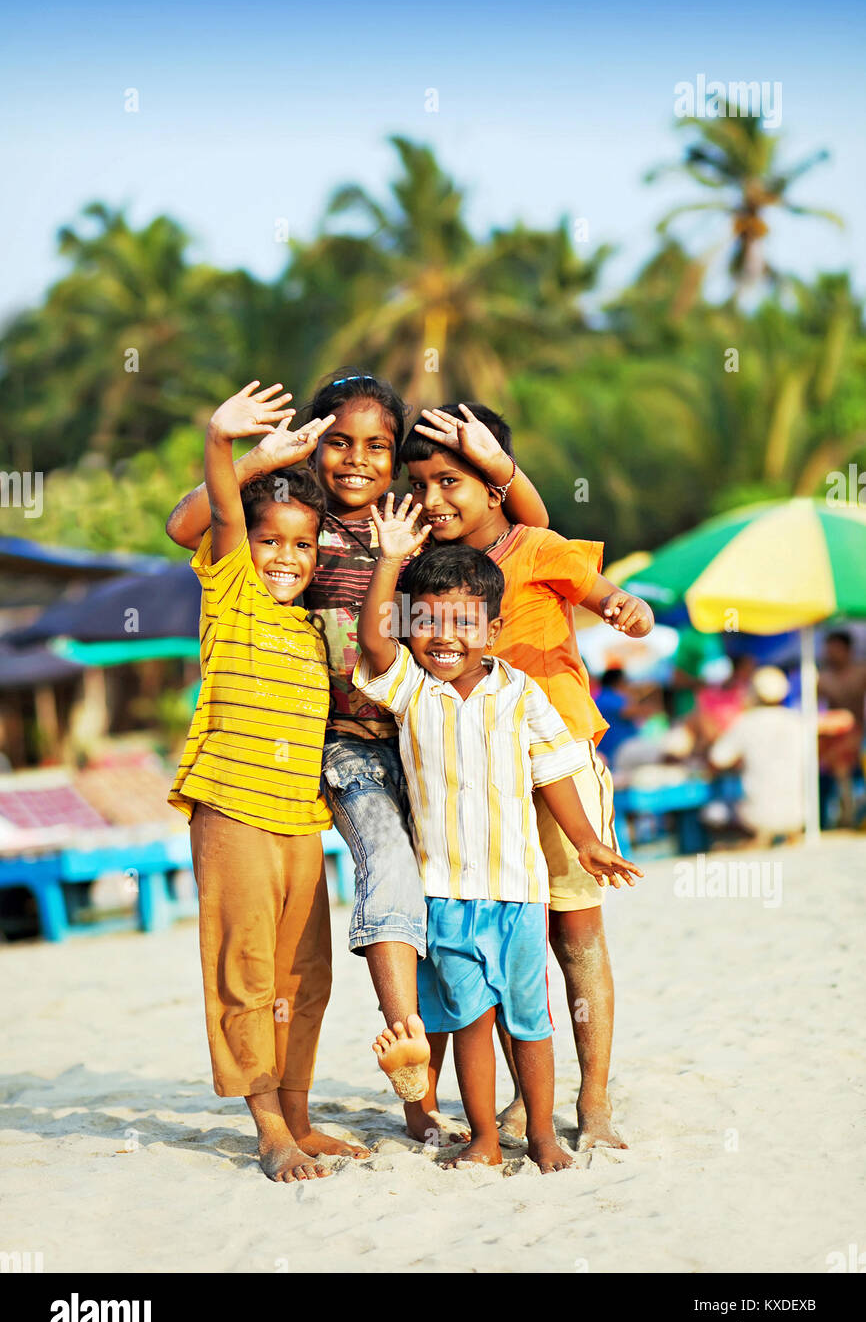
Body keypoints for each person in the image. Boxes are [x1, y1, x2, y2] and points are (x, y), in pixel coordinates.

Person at [165, 372, 549, 1136]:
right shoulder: (295, 524)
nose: (358, 459)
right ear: (314, 444)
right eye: (338, 440)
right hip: (341, 748)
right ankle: (400, 1047)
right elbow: (189, 526)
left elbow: (528, 529)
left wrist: (495, 464)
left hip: (421, 740)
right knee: (391, 872)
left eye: (377, 445)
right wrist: (243, 452)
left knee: (438, 907)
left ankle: (423, 1101)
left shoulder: (411, 523)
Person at [354, 500, 642, 1169]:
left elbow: (554, 772)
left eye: (462, 621)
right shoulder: (409, 688)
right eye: (425, 621)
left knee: (530, 1023)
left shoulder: (522, 694)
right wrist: (391, 557)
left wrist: (588, 841)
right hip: (445, 896)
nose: (443, 635)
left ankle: (542, 1134)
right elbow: (373, 642)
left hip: (519, 895)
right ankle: (485, 1138)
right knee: (470, 1025)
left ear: (494, 627)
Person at [399, 403, 654, 1151]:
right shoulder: (424, 573)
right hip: (473, 791)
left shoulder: (536, 545)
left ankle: (595, 1101)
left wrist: (626, 610)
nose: (435, 499)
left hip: (560, 767)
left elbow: (602, 594)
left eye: (451, 480)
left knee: (575, 939)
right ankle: (520, 1103)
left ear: (493, 483)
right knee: (505, 943)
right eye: (420, 484)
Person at [167, 382, 369, 1182]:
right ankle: (268, 1131)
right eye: (271, 541)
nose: (286, 558)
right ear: (245, 546)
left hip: (298, 816)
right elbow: (215, 515)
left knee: (302, 976)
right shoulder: (234, 590)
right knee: (245, 969)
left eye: (302, 545)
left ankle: (300, 1114)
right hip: (232, 806)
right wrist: (226, 447)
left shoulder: (312, 622)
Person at [708, 665, 804, 842]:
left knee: (713, 812)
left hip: (756, 817)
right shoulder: (796, 721)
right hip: (798, 816)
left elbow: (717, 759)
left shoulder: (746, 722)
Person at [818, 630, 866, 826]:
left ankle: (851, 813)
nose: (831, 654)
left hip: (859, 734)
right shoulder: (822, 678)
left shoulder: (861, 672)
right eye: (829, 650)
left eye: (835, 649)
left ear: (848, 650)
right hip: (832, 737)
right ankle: (838, 815)